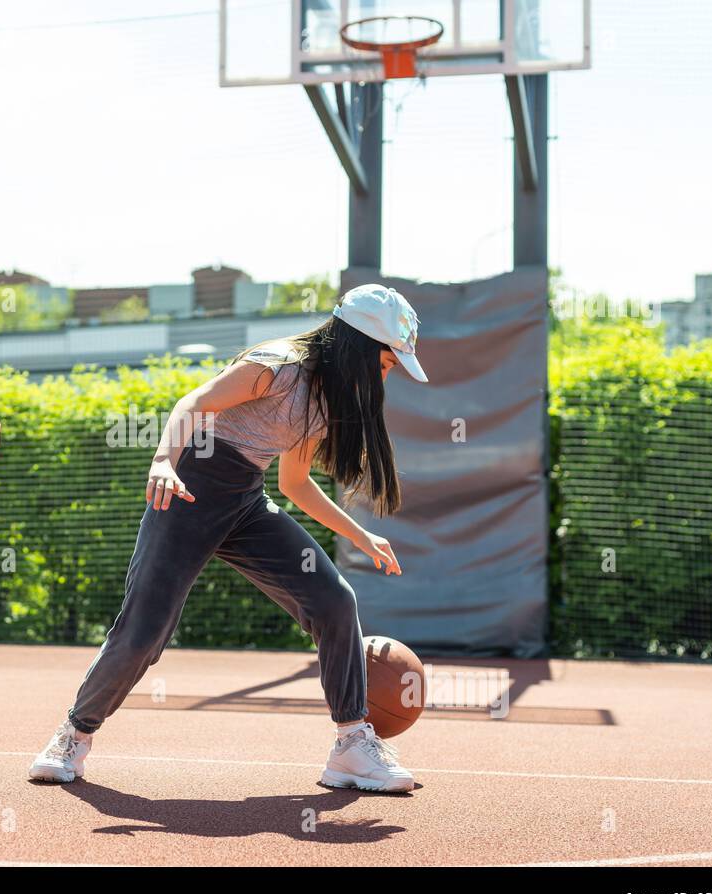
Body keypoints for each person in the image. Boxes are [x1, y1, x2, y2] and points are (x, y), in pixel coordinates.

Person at [29, 284, 428, 793]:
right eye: (388, 364)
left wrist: (362, 535)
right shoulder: (278, 365)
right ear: (358, 345)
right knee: (144, 632)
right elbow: (195, 401)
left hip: (244, 500)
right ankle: (73, 737)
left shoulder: (329, 401)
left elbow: (294, 484)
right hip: (190, 489)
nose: (386, 377)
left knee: (332, 599)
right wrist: (162, 462)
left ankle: (352, 743)